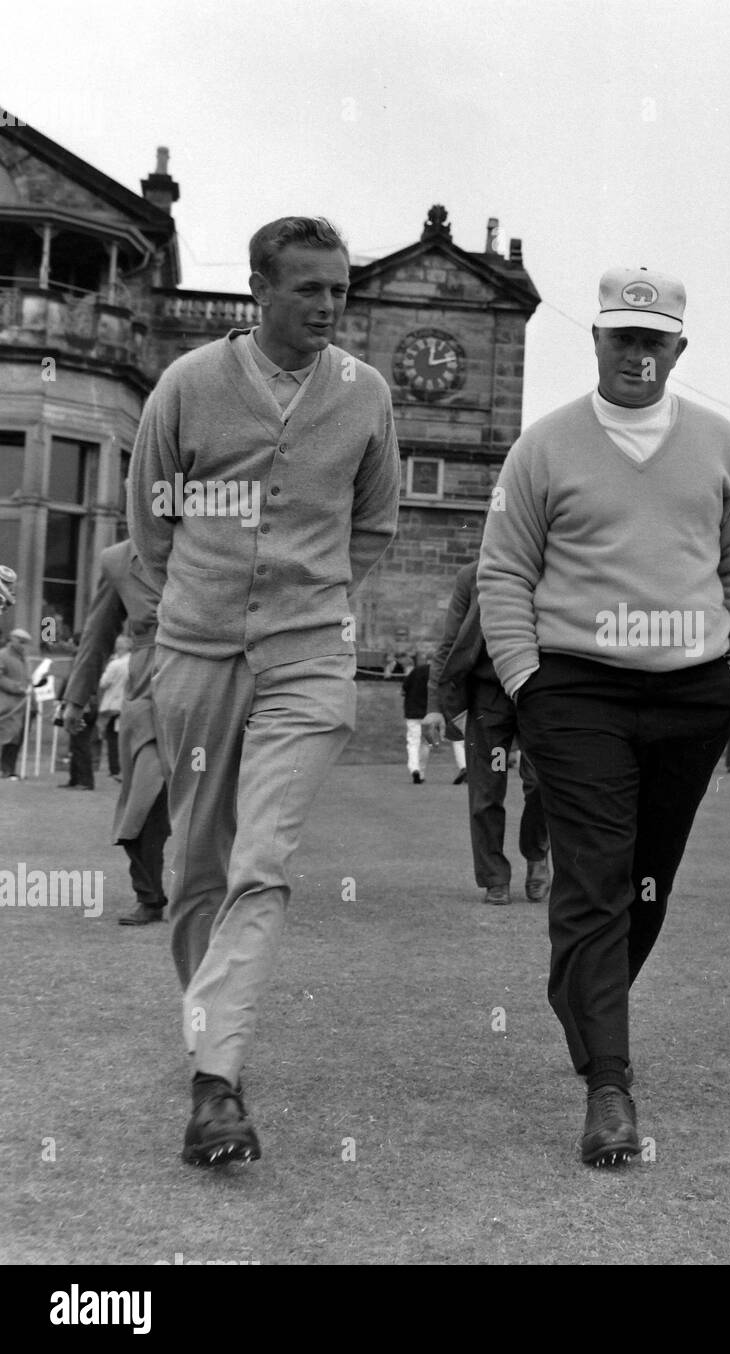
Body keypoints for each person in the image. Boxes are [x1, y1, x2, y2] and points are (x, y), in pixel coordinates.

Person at [478, 265, 730, 1166]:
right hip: (577, 691)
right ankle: (610, 1085)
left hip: (694, 693)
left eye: (654, 339)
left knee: (649, 882)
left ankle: (582, 987)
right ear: (597, 340)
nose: (637, 353)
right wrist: (528, 682)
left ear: (678, 348)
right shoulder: (544, 446)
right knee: (596, 877)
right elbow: (504, 572)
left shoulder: (721, 445)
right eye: (622, 336)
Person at [128, 214, 401, 1166]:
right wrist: (192, 612)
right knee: (196, 868)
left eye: (340, 288)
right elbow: (150, 519)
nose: (329, 305)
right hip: (197, 655)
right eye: (310, 288)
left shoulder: (365, 395)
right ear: (260, 289)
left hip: (307, 660)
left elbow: (374, 523)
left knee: (263, 857)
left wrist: (314, 600)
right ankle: (211, 1034)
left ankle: (216, 1084)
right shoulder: (189, 385)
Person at [423, 558, 550, 906]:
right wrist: (434, 705)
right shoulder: (471, 577)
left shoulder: (551, 569)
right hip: (488, 697)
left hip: (536, 691)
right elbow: (450, 643)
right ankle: (495, 877)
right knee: (485, 791)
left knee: (543, 783)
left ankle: (537, 855)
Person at [60, 540, 171, 925]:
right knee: (141, 803)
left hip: (214, 685)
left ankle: (220, 894)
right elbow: (96, 637)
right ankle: (150, 896)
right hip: (147, 696)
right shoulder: (116, 560)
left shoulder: (213, 538)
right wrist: (76, 700)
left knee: (216, 804)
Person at [0, 627, 32, 780]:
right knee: (5, 736)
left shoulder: (24, 658)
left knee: (17, 738)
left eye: (25, 642)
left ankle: (10, 768)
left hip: (24, 705)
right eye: (21, 641)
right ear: (12, 639)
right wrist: (17, 687)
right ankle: (3, 768)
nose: (23, 645)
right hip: (7, 705)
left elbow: (28, 678)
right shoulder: (2, 655)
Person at [97, 636, 131, 780]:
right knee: (123, 737)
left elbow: (104, 683)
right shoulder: (134, 662)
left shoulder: (115, 664)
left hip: (113, 705)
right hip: (127, 703)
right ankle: (123, 767)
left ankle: (114, 768)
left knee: (112, 738)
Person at [401, 650, 430, 784]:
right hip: (428, 712)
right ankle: (422, 772)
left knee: (413, 742)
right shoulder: (437, 674)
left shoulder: (416, 671)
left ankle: (414, 769)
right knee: (425, 743)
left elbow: (404, 689)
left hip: (413, 711)